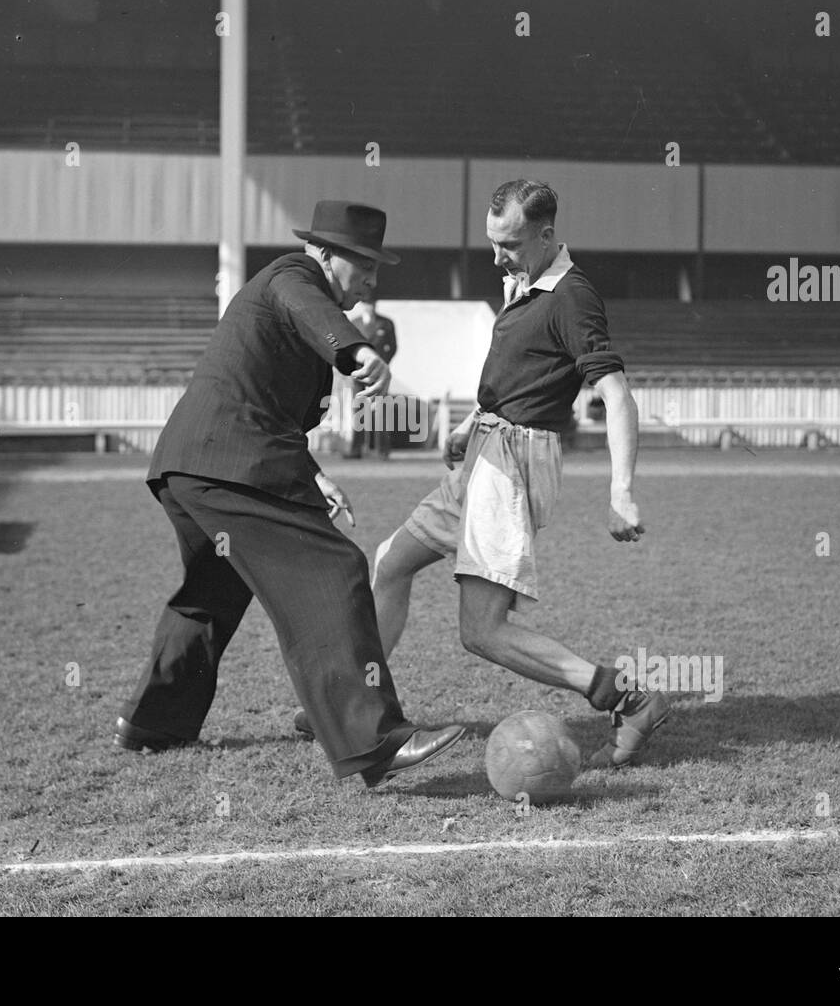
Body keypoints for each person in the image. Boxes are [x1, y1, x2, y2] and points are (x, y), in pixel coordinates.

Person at [295, 180, 670, 769]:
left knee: (482, 631)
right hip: (485, 452)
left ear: (547, 236)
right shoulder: (523, 280)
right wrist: (474, 421)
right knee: (392, 560)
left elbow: (617, 395)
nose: (498, 258)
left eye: (511, 245)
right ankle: (356, 701)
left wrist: (621, 492)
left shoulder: (572, 296)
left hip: (514, 467)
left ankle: (627, 697)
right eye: (493, 243)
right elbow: (524, 374)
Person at [116, 201, 465, 788]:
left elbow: (279, 416)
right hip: (231, 464)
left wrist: (318, 477)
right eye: (365, 264)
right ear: (325, 254)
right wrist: (358, 351)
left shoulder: (299, 322)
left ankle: (153, 724)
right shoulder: (291, 277)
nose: (374, 279)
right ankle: (373, 739)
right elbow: (308, 309)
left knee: (211, 590)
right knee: (335, 568)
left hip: (191, 465)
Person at [343, 297, 398, 459]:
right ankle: (356, 449)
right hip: (359, 372)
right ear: (362, 305)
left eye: (372, 304)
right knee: (358, 410)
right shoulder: (355, 322)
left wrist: (383, 364)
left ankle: (382, 450)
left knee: (381, 410)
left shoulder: (386, 323)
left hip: (378, 373)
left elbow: (393, 347)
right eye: (367, 304)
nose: (370, 307)